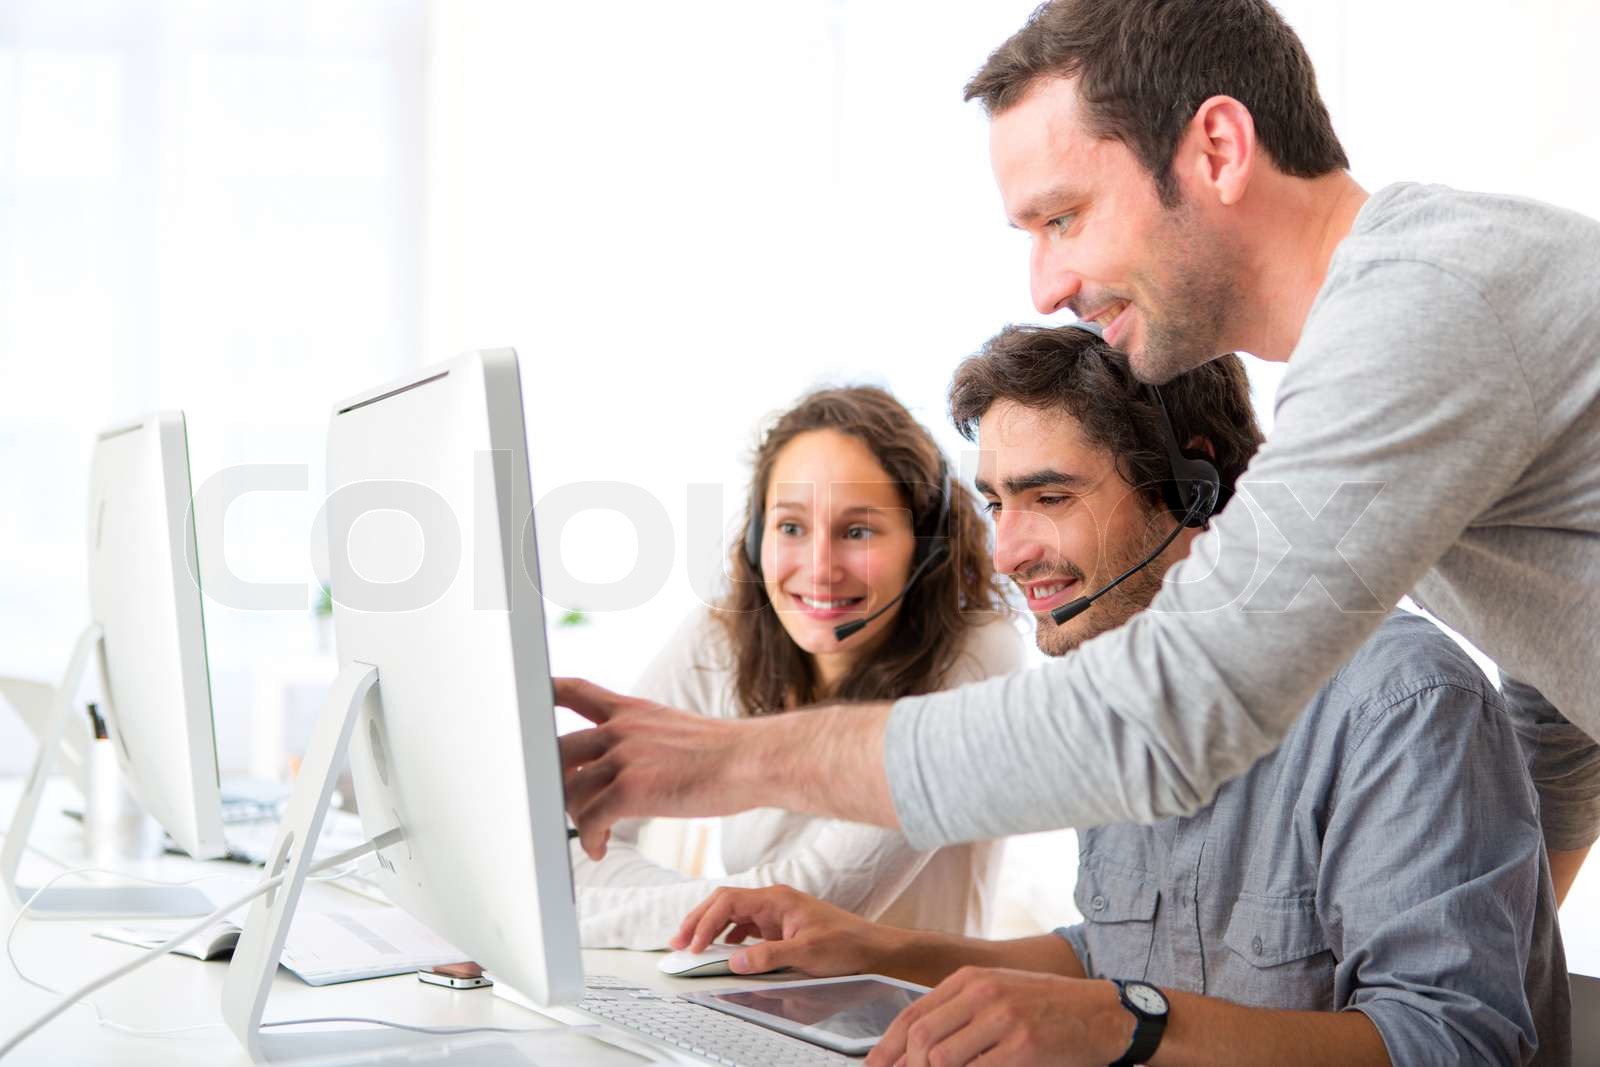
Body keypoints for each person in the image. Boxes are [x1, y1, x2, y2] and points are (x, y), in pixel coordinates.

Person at [555, 0, 1600, 905]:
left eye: (1063, 217)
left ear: (1218, 150)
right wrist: (1513, 943)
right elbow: (1557, 664)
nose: (1044, 285)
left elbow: (1163, 717)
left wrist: (719, 762)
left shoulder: (1424, 308)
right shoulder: (1410, 327)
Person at [672, 324, 1569, 1067]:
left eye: (1049, 496)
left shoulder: (1399, 703)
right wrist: (879, 950)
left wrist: (1122, 1019)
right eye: (995, 504)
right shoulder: (1116, 689)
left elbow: (1453, 1043)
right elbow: (1122, 953)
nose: (1012, 550)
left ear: (1196, 487)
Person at [570, 385, 1023, 949]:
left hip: (895, 1021)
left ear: (926, 547)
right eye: (791, 527)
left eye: (857, 531)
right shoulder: (720, 635)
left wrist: (606, 914)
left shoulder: (978, 653)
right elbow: (570, 844)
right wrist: (699, 919)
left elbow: (810, 907)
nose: (819, 568)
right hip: (740, 999)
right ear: (759, 537)